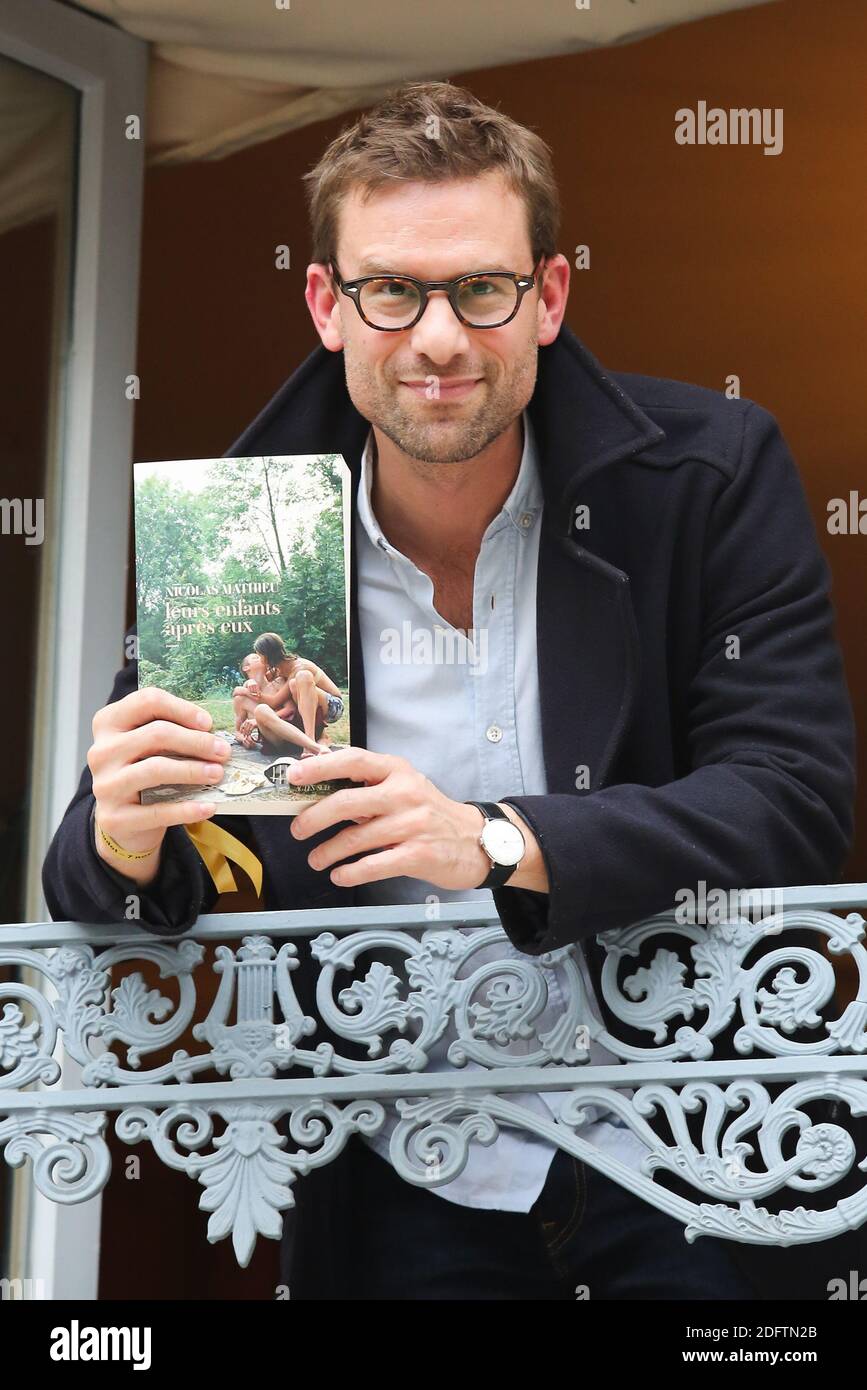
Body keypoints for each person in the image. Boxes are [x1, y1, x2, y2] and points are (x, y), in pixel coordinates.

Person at [42, 81, 856, 1300]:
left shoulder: (709, 473)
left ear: (550, 296)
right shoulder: (246, 528)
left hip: (687, 1141)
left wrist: (492, 837)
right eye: (392, 291)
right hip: (400, 1170)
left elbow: (792, 799)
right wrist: (124, 831)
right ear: (327, 302)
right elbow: (101, 881)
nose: (437, 338)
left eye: (482, 288)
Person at [250, 632, 345, 755]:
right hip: (310, 704)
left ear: (267, 655)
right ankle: (319, 737)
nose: (259, 660)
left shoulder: (298, 667)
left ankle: (309, 742)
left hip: (332, 706)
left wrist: (252, 694)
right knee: (294, 686)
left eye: (259, 655)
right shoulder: (277, 669)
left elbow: (275, 701)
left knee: (300, 679)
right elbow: (262, 682)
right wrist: (250, 683)